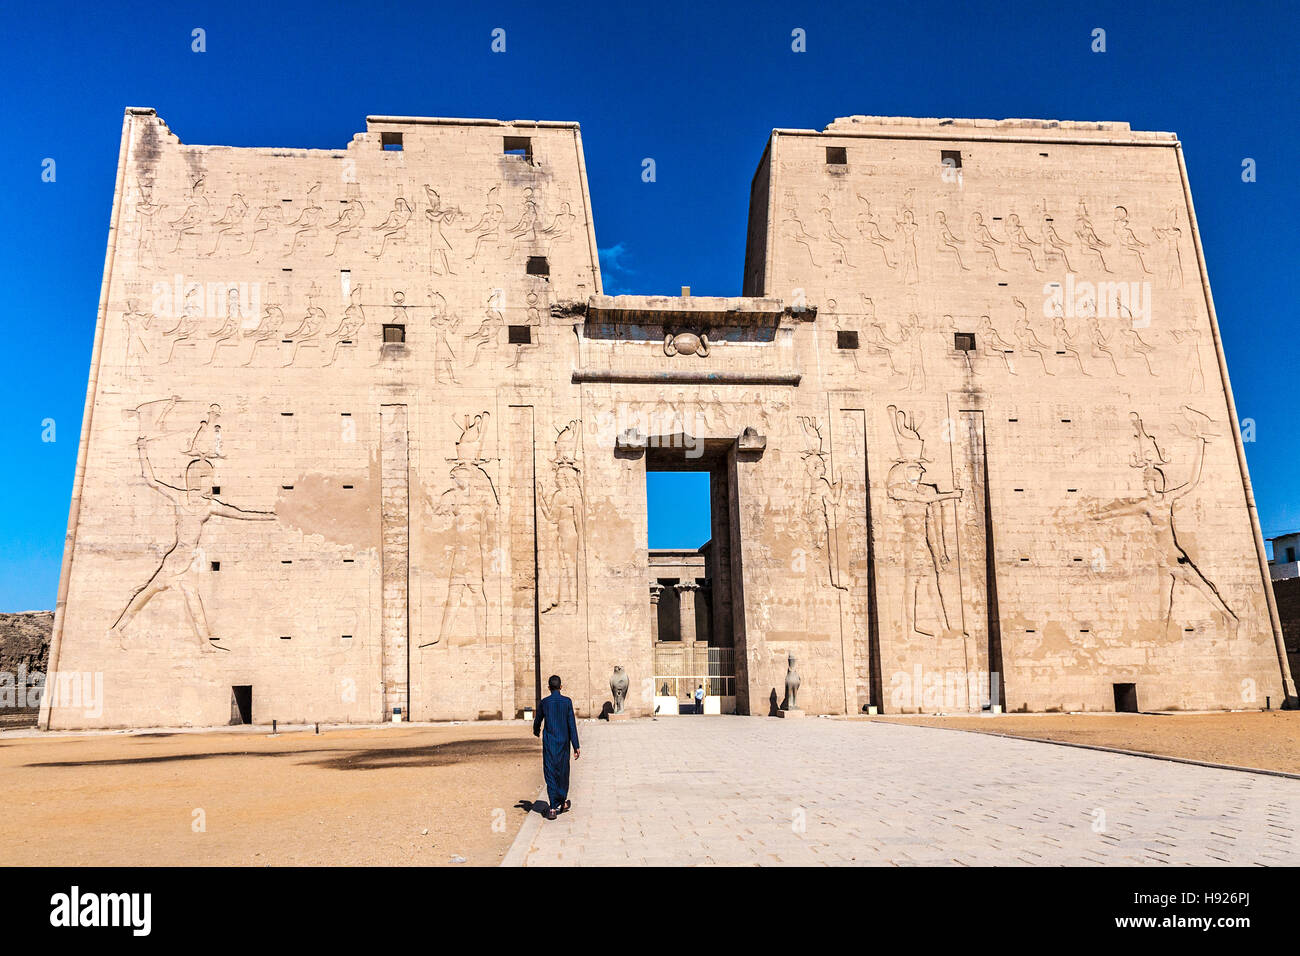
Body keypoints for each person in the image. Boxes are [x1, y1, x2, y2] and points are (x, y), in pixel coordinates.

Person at [533, 675, 580, 820]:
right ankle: (563, 801)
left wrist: (536, 730)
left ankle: (553, 807)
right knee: (563, 771)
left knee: (550, 772)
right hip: (563, 742)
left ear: (548, 687)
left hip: (549, 742)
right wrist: (576, 746)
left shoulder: (545, 702)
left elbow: (538, 719)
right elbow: (571, 724)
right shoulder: (566, 702)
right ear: (561, 686)